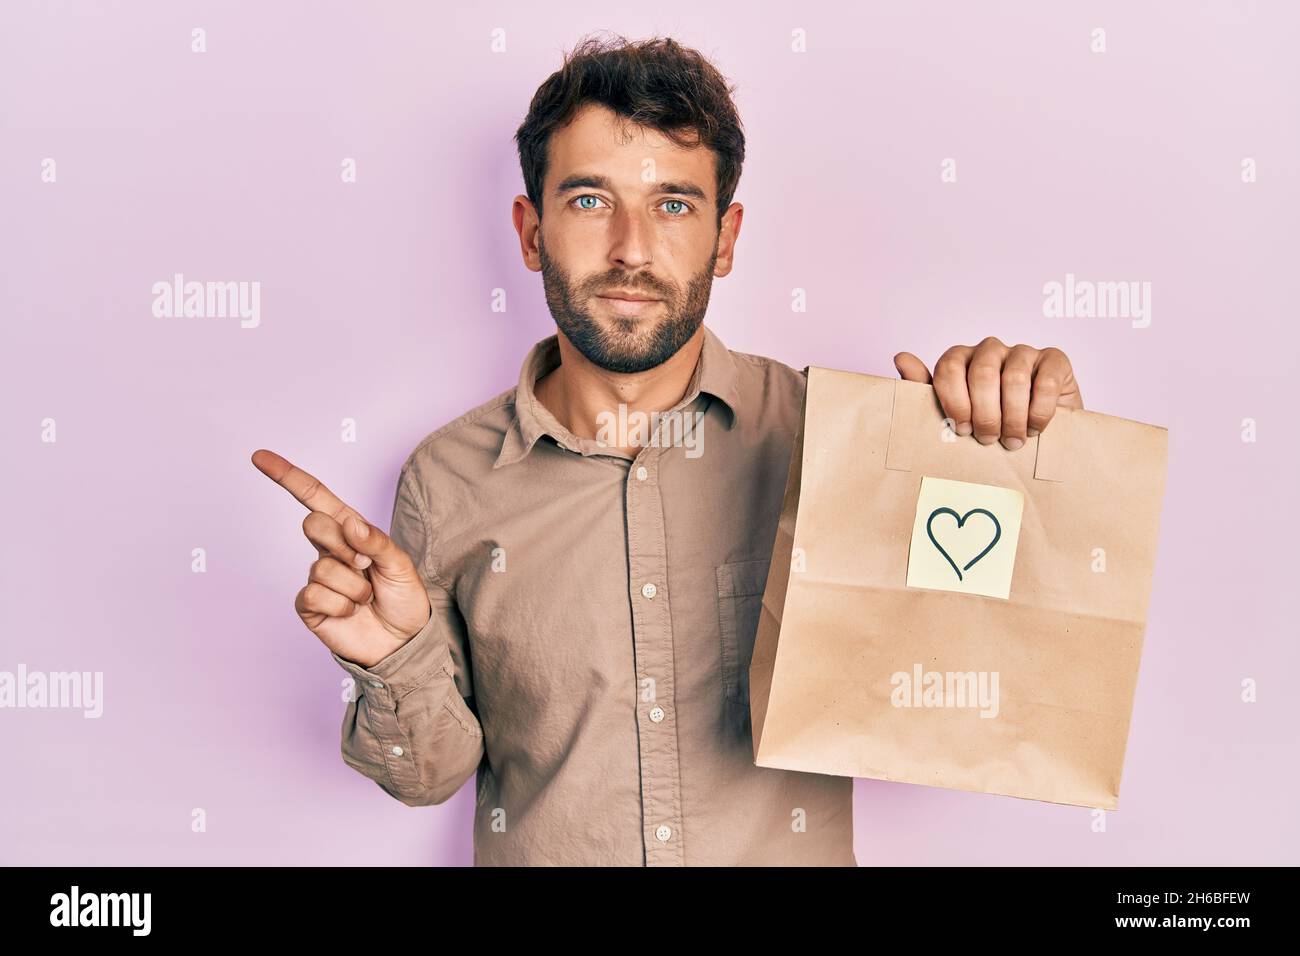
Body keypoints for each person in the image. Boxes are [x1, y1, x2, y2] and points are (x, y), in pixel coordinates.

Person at [251, 34, 1083, 866]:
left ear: (725, 239)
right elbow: (427, 776)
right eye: (588, 201)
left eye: (675, 205)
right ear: (531, 231)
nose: (632, 249)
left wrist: (1033, 442)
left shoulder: (834, 436)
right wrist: (390, 657)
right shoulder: (446, 478)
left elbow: (979, 668)